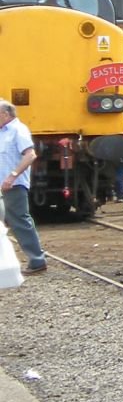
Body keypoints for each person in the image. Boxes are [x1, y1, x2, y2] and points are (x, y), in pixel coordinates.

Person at [0, 100, 48, 275]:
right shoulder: (3, 132)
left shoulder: (18, 130)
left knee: (19, 220)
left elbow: (30, 155)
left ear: (5, 114)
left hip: (13, 184)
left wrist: (13, 175)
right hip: (4, 184)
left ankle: (37, 260)